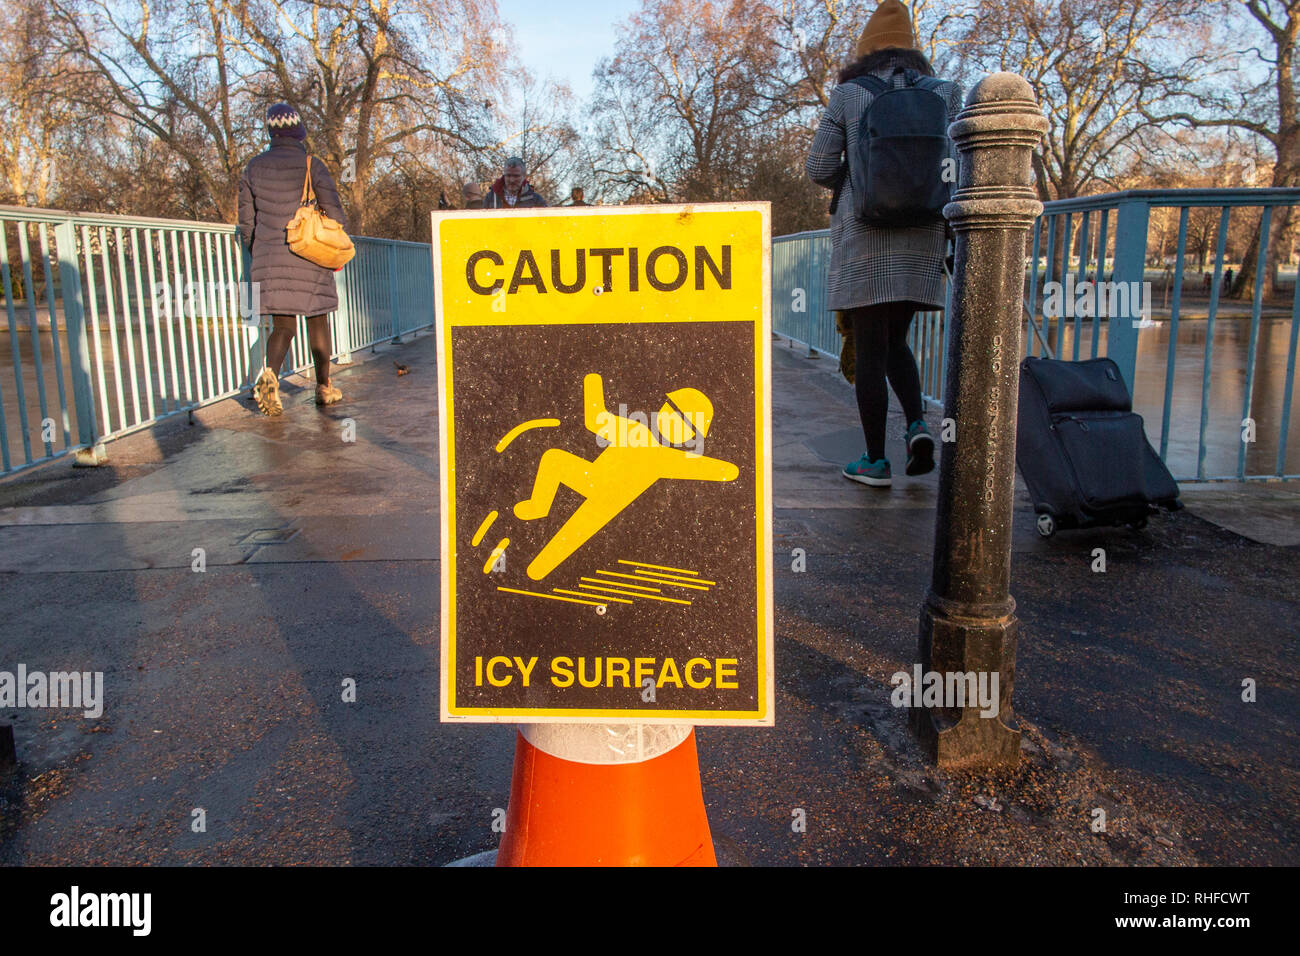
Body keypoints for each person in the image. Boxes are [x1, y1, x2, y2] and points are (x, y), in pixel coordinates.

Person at [805, 0, 961, 488]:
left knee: (871, 348)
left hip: (866, 236)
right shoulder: (946, 92)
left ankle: (875, 460)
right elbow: (958, 165)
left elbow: (818, 168)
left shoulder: (851, 95)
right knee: (898, 341)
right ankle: (917, 426)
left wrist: (859, 173)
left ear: (863, 54)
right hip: (923, 234)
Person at [238, 103, 348, 415]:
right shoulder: (313, 165)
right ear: (299, 131)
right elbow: (335, 212)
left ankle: (269, 376)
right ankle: (324, 387)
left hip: (270, 260)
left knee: (282, 327)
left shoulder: (253, 168)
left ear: (271, 132)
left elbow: (247, 223)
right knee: (318, 322)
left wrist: (257, 252)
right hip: (311, 254)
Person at [482, 157, 547, 208]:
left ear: (524, 176)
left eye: (516, 176)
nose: (512, 180)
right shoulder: (490, 198)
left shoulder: (536, 200)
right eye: (508, 175)